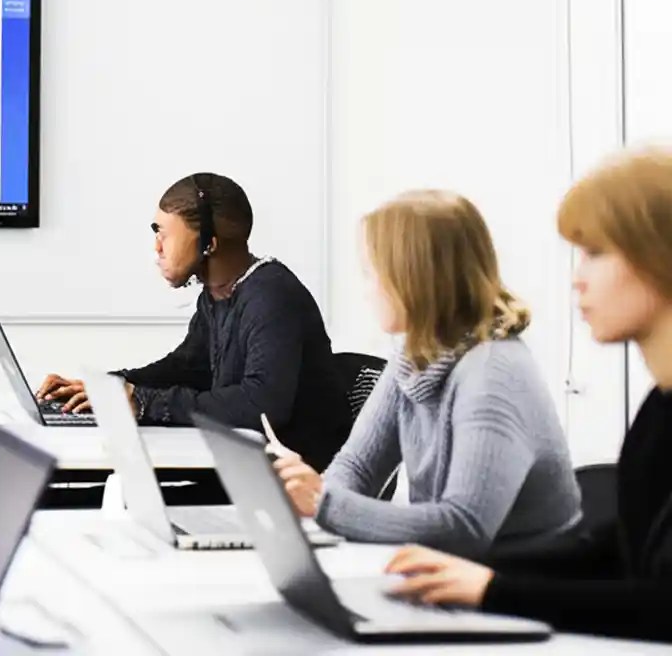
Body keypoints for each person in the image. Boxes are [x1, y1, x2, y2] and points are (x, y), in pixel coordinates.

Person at [384, 149, 672, 643]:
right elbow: (619, 550)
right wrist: (471, 572)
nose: (577, 277)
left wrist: (494, 591)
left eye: (598, 253)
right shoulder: (660, 410)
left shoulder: (494, 367)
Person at [271, 191, 580, 558]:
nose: (366, 291)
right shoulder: (414, 352)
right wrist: (317, 499)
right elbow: (357, 467)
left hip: (516, 591)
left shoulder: (493, 373)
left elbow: (463, 528)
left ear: (412, 277)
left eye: (372, 274)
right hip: (451, 579)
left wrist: (323, 504)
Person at [38, 172, 351, 470]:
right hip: (244, 466)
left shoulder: (271, 296)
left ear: (208, 244)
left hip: (293, 482)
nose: (156, 247)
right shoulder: (218, 294)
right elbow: (187, 368)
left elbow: (263, 403)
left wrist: (144, 402)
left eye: (165, 234)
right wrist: (111, 387)